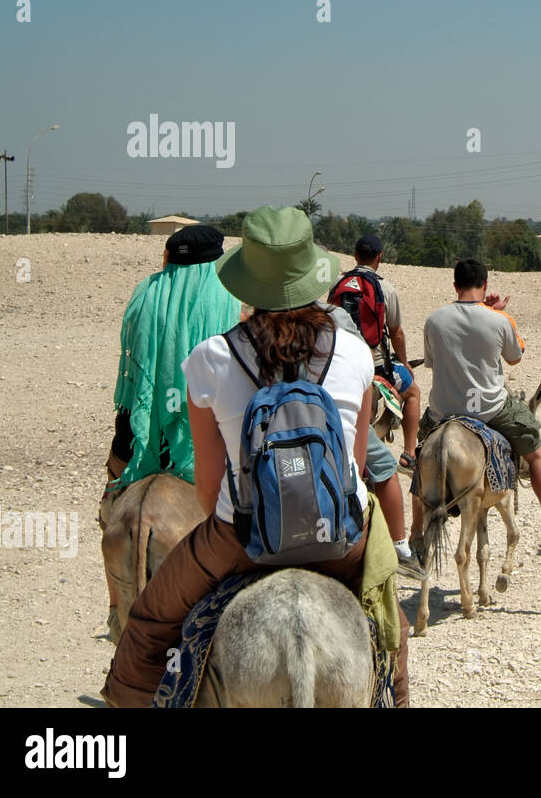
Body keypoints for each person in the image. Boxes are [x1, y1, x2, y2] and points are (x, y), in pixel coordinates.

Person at [102, 206, 410, 708]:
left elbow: (207, 484)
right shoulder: (354, 353)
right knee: (386, 620)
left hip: (240, 537)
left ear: (247, 280)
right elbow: (354, 467)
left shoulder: (211, 358)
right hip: (340, 536)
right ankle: (397, 697)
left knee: (150, 622)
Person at [102, 225, 241, 633]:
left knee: (111, 503)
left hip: (141, 434)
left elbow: (134, 369)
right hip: (202, 441)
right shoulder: (227, 297)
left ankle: (115, 607)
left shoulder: (144, 294)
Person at [408, 258, 541, 561]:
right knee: (537, 452)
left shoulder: (434, 320)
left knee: (420, 458)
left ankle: (415, 535)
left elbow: (431, 362)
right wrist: (498, 313)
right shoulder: (498, 321)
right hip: (490, 408)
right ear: (485, 285)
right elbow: (515, 357)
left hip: (443, 410)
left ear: (455, 285)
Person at [328, 234, 421, 575]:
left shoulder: (338, 284)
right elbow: (395, 331)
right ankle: (410, 452)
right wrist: (405, 363)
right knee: (413, 392)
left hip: (335, 362)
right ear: (379, 257)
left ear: (354, 254)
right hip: (375, 366)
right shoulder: (384, 287)